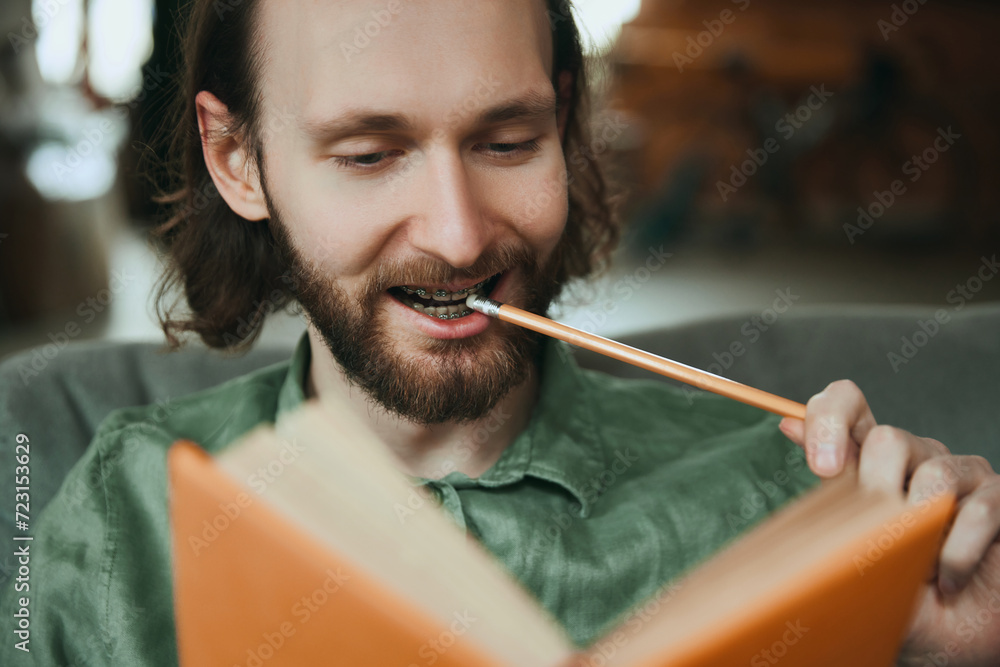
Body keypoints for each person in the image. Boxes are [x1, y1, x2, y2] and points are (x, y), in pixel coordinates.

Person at [4, 1, 1000, 665]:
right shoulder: (123, 511)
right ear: (239, 160)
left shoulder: (786, 505)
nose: (459, 231)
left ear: (563, 125)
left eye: (507, 141)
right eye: (368, 153)